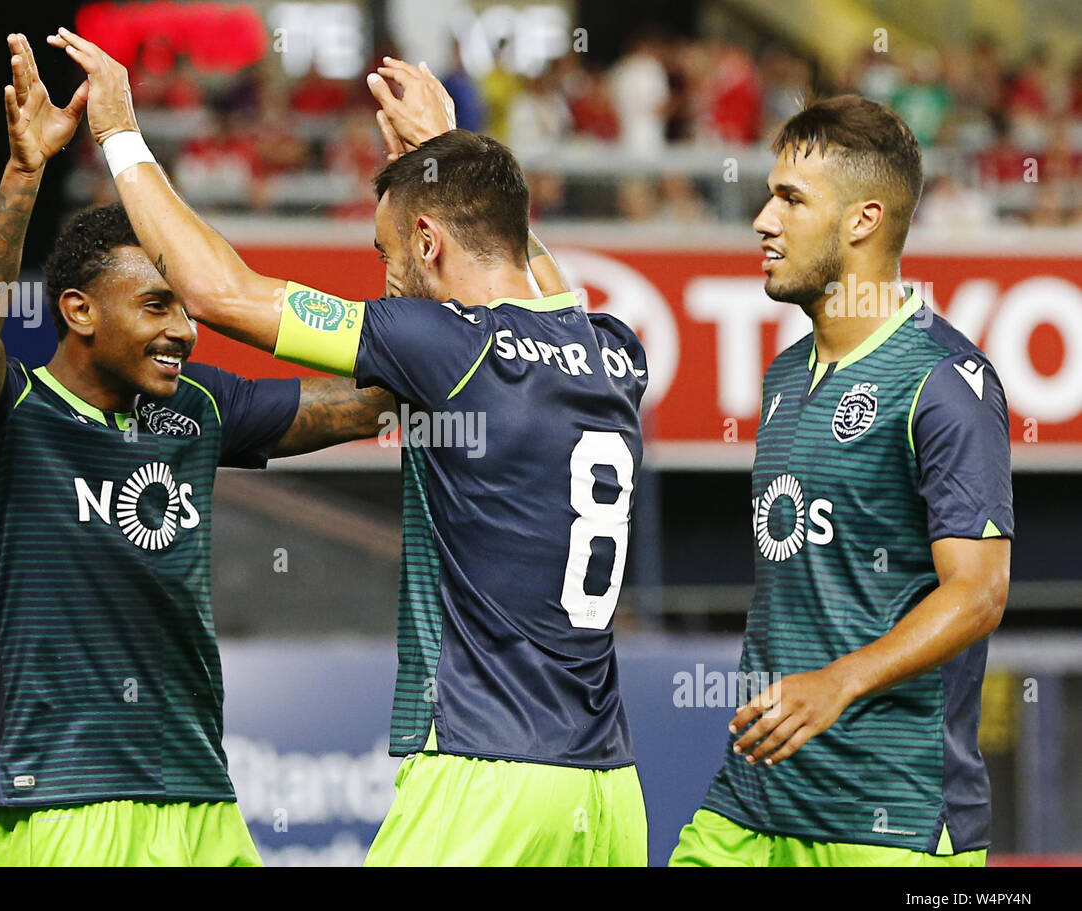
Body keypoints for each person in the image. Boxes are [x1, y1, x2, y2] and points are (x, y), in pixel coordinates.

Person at [51, 26, 651, 866]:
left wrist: (119, 133)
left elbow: (219, 292)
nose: (386, 277)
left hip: (486, 777)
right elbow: (525, 262)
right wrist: (446, 150)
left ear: (430, 244)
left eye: (388, 253)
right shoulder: (616, 347)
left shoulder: (444, 341)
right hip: (611, 790)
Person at [0, 34, 392, 866]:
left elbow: (362, 406)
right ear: (78, 312)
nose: (183, 328)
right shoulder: (8, 417)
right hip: (66, 801)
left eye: (183, 306)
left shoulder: (197, 406)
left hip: (204, 800)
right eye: (155, 306)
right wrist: (23, 178)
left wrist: (427, 291)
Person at [670, 95, 1012, 866]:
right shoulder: (785, 374)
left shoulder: (945, 382)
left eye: (790, 199)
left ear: (862, 220)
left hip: (892, 820)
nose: (762, 220)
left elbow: (980, 592)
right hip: (755, 799)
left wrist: (838, 682)